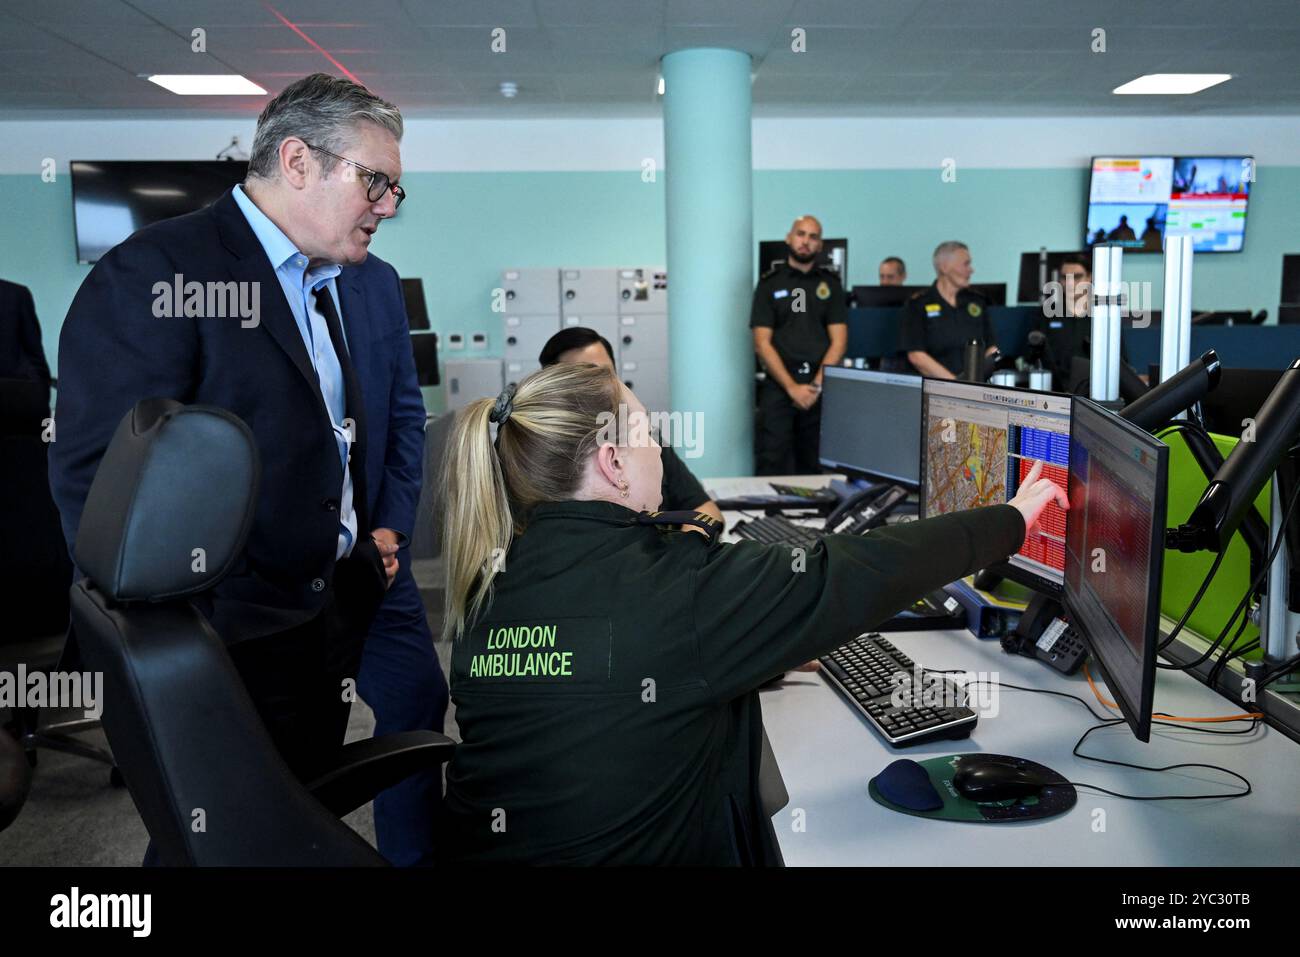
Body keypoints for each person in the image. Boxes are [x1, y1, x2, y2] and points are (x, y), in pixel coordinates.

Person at [434, 363, 1067, 865]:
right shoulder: (675, 586)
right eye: (649, 433)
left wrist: (746, 644)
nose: (660, 449)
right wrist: (1011, 519)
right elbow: (851, 572)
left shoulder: (489, 581)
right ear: (613, 463)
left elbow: (598, 690)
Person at [50, 74, 415, 801]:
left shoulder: (347, 281)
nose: (388, 207)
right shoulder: (160, 270)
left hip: (325, 617)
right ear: (297, 161)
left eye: (396, 190)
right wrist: (184, 631)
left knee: (295, 819)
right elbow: (101, 481)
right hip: (218, 638)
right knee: (216, 835)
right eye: (376, 182)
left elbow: (360, 438)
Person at [538, 326, 722, 523]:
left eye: (606, 375)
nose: (602, 387)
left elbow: (705, 509)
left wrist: (686, 549)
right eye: (587, 379)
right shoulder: (546, 461)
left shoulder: (647, 439)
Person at [749, 215, 847, 475]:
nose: (806, 241)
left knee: (815, 463)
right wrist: (793, 388)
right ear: (789, 238)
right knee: (772, 458)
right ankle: (770, 516)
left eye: (813, 237)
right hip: (779, 388)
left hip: (819, 388)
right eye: (801, 234)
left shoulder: (831, 285)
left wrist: (814, 386)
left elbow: (839, 341)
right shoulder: (770, 284)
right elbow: (761, 343)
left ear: (820, 244)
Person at [898, 241, 997, 379]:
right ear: (944, 267)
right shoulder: (918, 304)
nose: (971, 270)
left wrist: (979, 381)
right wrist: (955, 385)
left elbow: (991, 348)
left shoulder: (977, 302)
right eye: (966, 264)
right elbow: (917, 356)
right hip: (934, 388)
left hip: (975, 386)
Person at [0, 279, 52, 398]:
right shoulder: (16, 294)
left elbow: (34, 353)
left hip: (14, 399)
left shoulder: (15, 295)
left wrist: (41, 393)